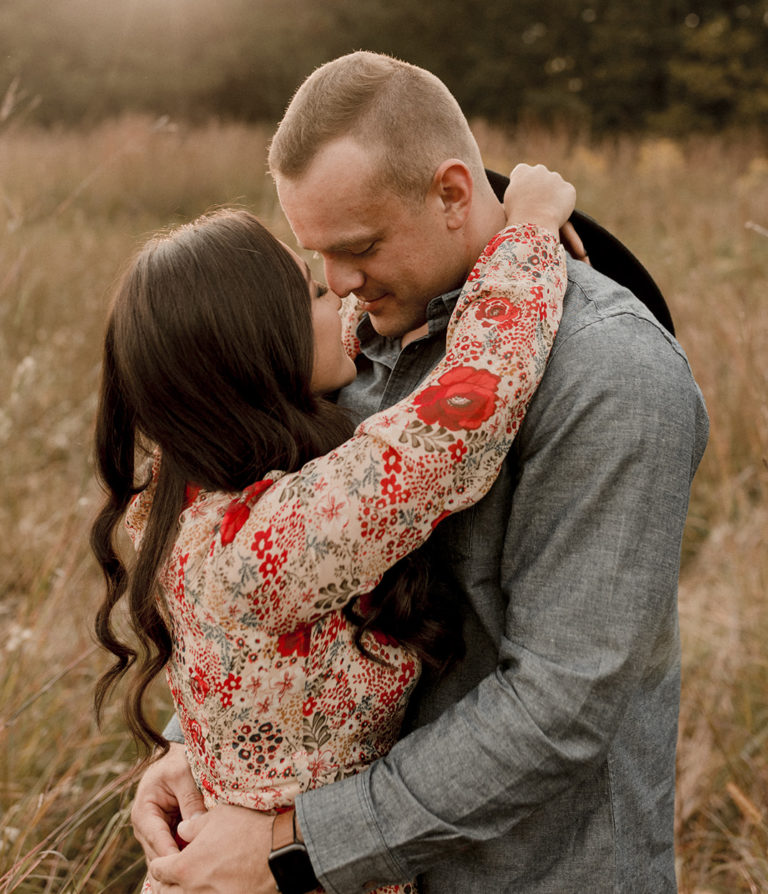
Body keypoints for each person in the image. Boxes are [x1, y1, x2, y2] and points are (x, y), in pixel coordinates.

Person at [134, 52, 709, 894]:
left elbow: (564, 705)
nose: (339, 285)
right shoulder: (342, 347)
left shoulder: (609, 373)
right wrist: (201, 750)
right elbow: (274, 572)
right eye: (317, 257)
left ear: (450, 192)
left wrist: (295, 847)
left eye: (358, 247)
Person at [91, 167, 575, 894]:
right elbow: (464, 410)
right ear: (259, 354)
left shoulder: (185, 490)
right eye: (314, 294)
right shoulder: (273, 540)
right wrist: (529, 235)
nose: (343, 294)